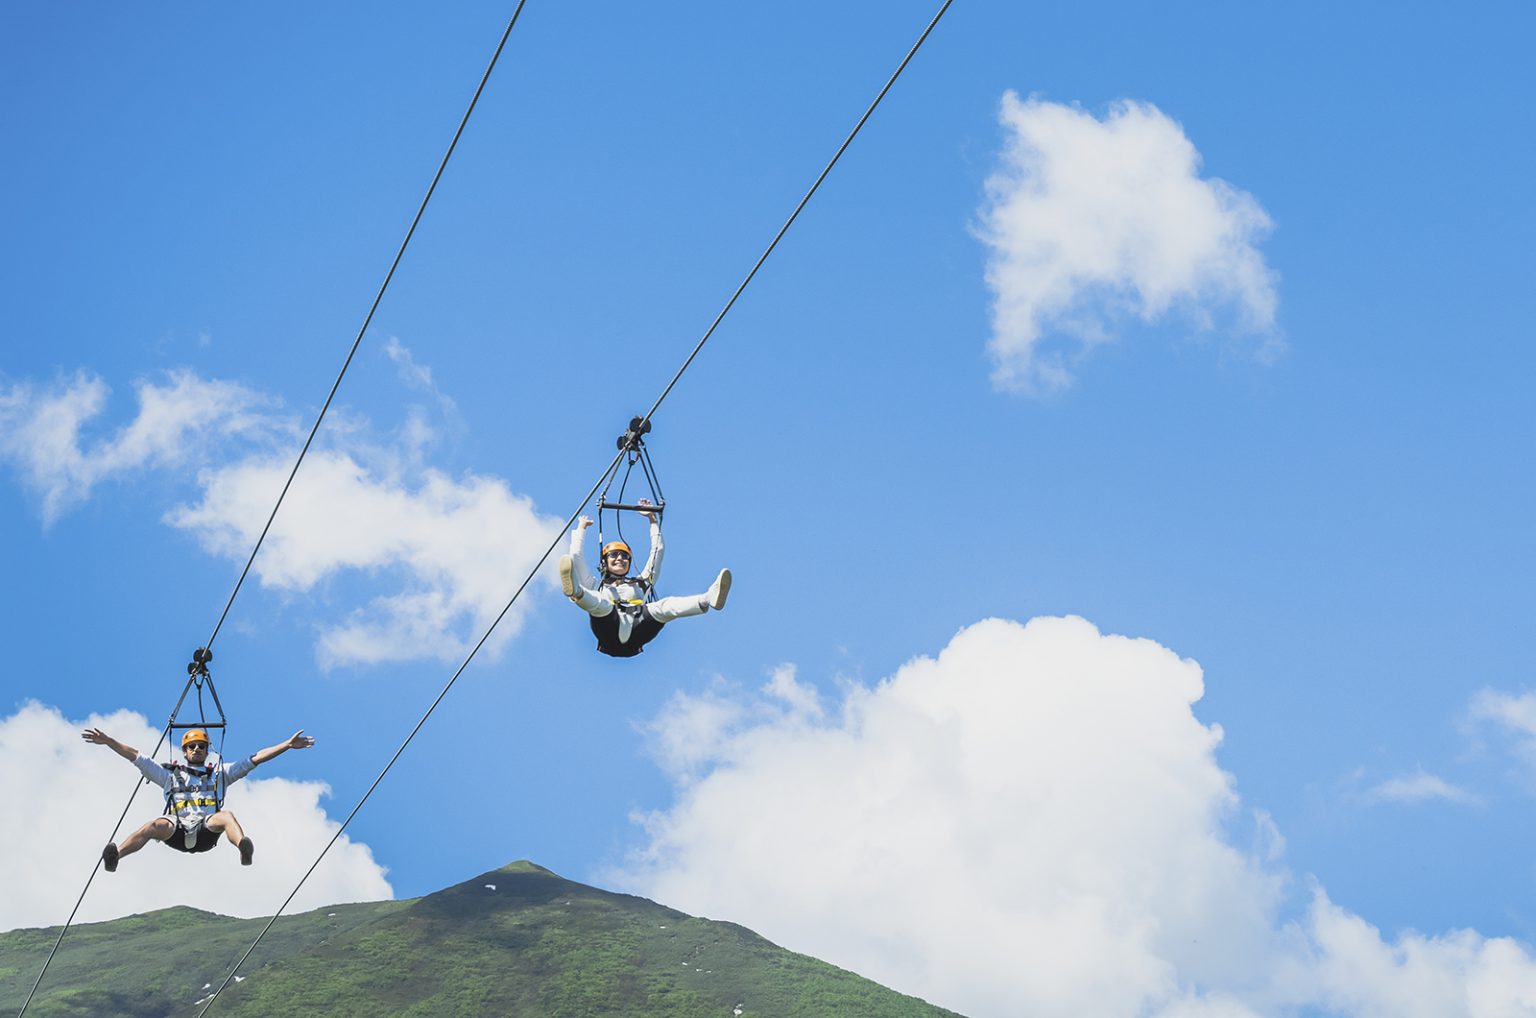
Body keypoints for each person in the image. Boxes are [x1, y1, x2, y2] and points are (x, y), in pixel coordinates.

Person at [81, 725, 316, 871]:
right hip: (178, 830)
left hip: (206, 831)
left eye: (201, 747)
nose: (196, 750)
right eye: (191, 746)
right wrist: (109, 741)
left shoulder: (220, 774)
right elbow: (136, 756)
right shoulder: (168, 776)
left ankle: (243, 848)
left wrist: (286, 745)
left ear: (206, 751)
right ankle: (116, 855)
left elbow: (255, 759)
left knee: (226, 816)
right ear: (184, 751)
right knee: (155, 824)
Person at [558, 499, 730, 657]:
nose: (620, 559)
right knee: (600, 604)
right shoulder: (597, 585)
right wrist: (581, 528)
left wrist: (652, 520)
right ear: (604, 562)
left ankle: (708, 598)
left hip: (637, 630)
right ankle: (576, 591)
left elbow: (658, 551)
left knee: (664, 606)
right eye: (614, 555)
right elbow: (576, 556)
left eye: (625, 557)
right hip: (609, 629)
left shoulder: (641, 583)